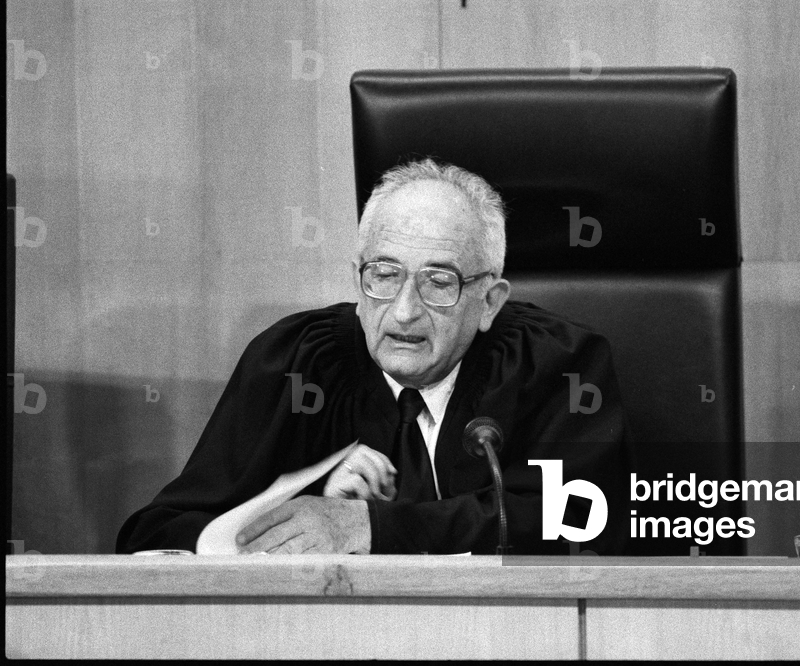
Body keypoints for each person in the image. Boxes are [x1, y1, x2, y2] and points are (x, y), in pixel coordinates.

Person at [116, 159, 631, 555]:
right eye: (384, 275)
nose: (404, 312)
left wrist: (371, 527)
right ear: (357, 282)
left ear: (489, 303)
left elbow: (587, 520)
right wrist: (296, 513)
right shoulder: (297, 364)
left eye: (438, 281)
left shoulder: (554, 364)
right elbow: (156, 534)